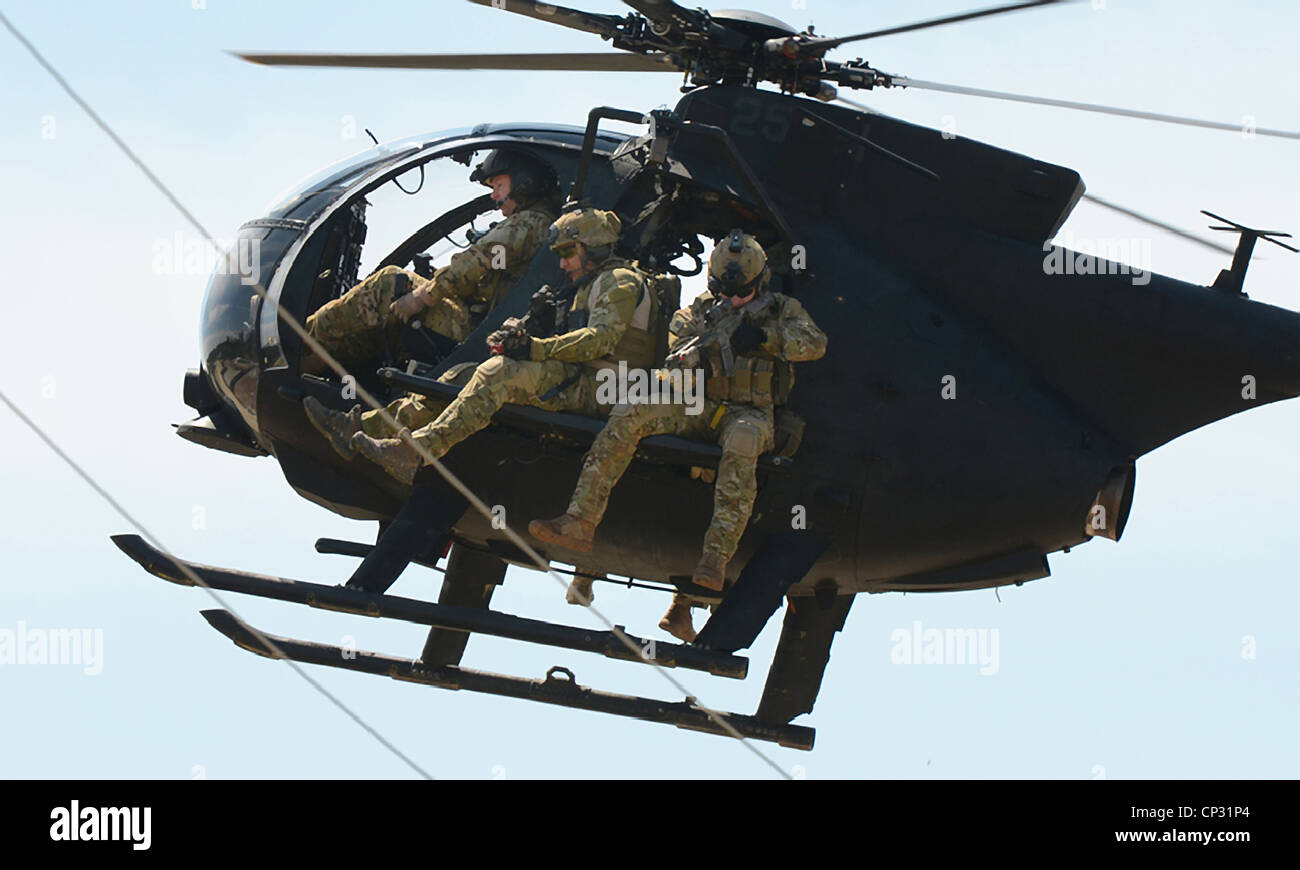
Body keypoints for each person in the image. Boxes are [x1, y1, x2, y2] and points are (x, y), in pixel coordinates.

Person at [528, 230, 827, 642]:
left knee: (742, 446)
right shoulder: (700, 313)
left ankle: (714, 560)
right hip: (698, 402)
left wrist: (766, 339)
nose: (734, 301)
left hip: (748, 410)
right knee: (631, 410)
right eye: (726, 292)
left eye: (742, 293)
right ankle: (579, 520)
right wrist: (697, 357)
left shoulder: (782, 309)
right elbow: (676, 351)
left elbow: (814, 344)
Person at [350, 208, 659, 497]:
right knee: (463, 374)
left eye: (568, 252)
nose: (563, 264)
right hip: (585, 379)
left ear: (595, 247)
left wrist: (536, 348)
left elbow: (600, 341)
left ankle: (414, 453)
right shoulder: (583, 289)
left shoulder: (620, 281)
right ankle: (369, 426)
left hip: (610, 389)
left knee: (498, 373)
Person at [301, 149, 559, 457]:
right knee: (392, 312)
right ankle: (315, 363)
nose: (494, 196)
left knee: (391, 283)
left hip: (475, 334)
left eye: (498, 186)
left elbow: (473, 262)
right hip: (481, 328)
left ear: (524, 184)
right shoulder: (535, 225)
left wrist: (422, 297)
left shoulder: (530, 223)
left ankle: (298, 347)